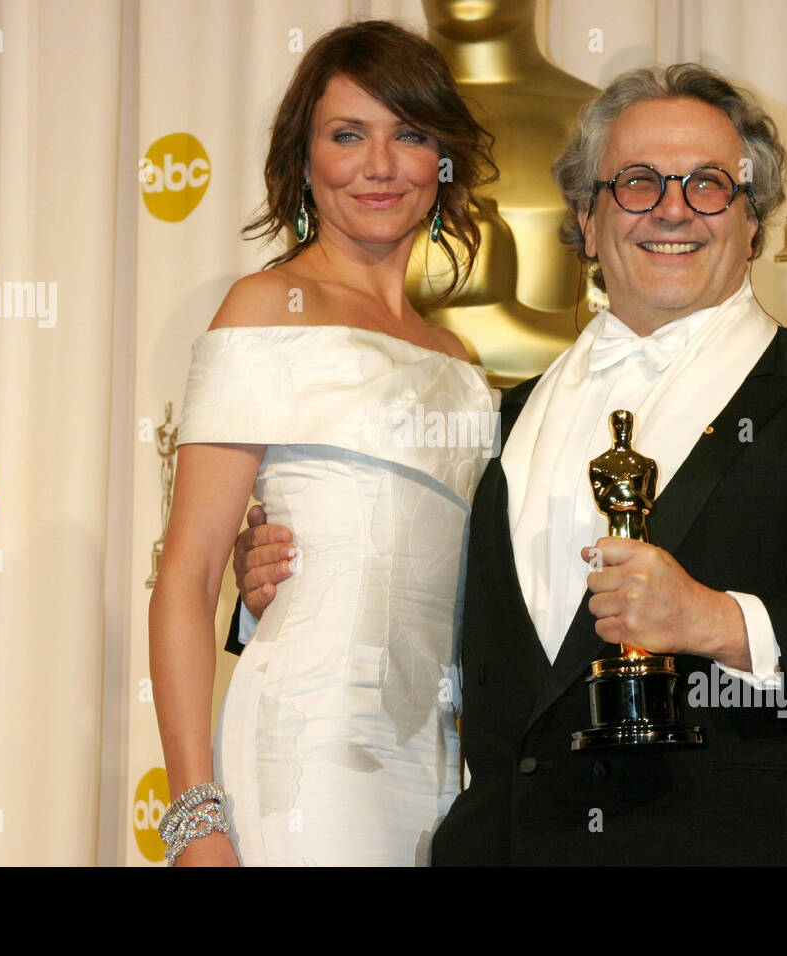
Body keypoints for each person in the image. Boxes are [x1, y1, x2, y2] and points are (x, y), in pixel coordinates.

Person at [233, 63, 787, 865]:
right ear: (586, 214)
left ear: (754, 220)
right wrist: (282, 585)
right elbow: (419, 597)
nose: (673, 209)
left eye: (710, 184)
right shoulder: (491, 415)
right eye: (639, 183)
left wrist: (713, 620)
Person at [148, 19, 498, 867]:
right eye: (347, 135)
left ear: (440, 162)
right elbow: (190, 573)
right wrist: (196, 818)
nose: (379, 165)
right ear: (305, 163)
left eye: (408, 134)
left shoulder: (461, 361)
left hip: (442, 758)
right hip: (306, 739)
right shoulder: (265, 307)